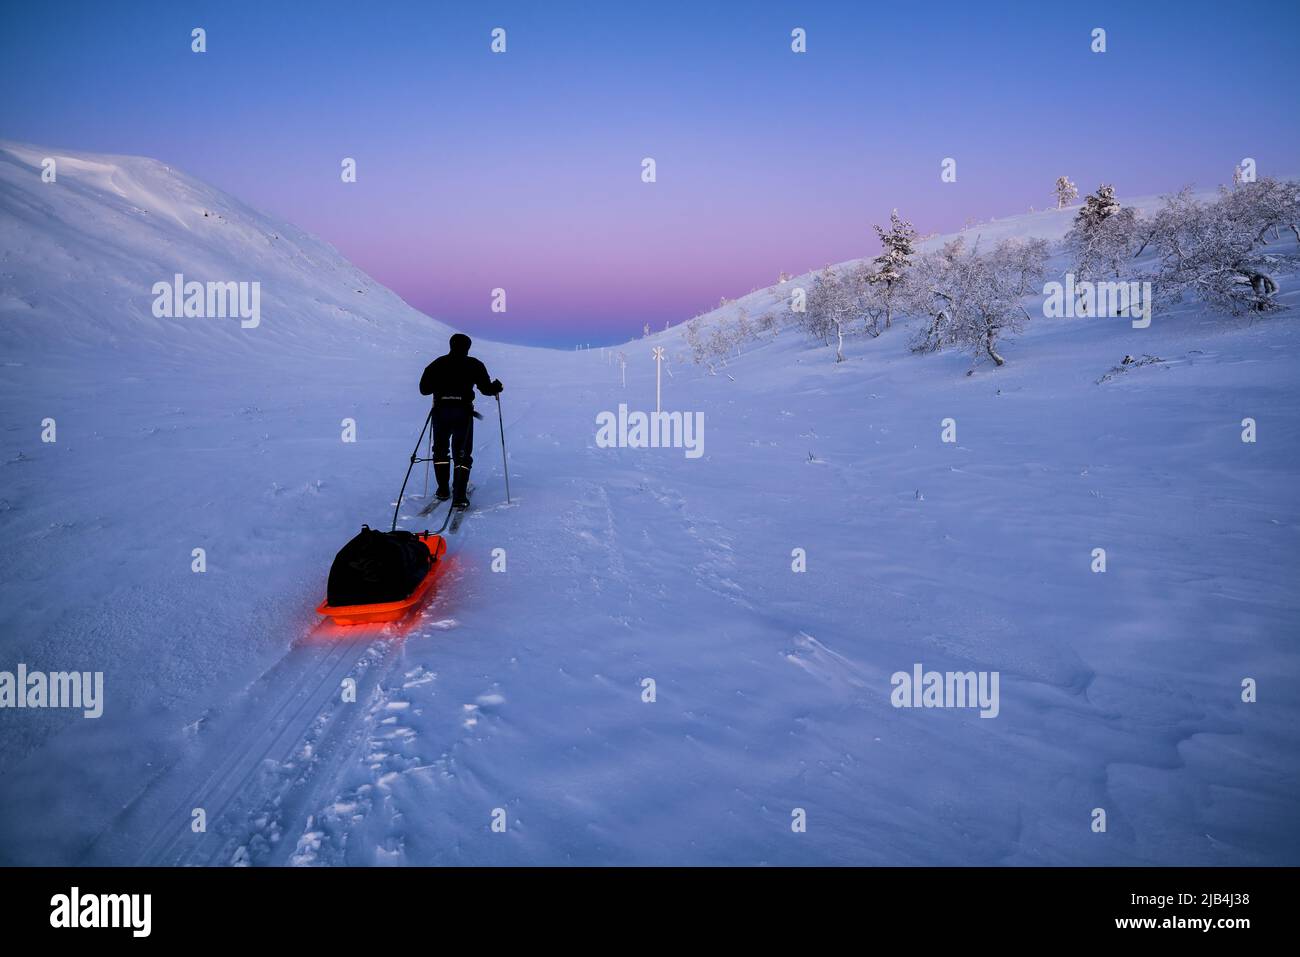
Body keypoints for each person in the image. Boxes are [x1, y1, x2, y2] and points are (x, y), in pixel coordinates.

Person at [419, 333, 503, 508]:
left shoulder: (438, 363)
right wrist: (496, 387)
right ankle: (459, 495)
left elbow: (424, 389)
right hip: (463, 412)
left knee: (440, 450)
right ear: (468, 347)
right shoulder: (474, 364)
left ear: (451, 345)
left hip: (441, 411)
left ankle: (443, 490)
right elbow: (486, 389)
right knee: (462, 452)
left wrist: (441, 385)